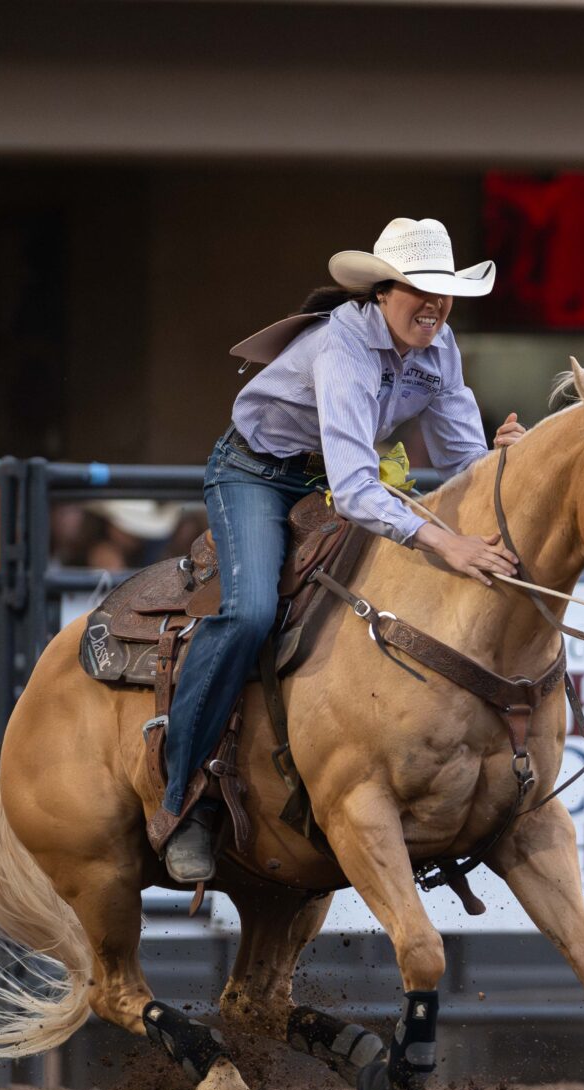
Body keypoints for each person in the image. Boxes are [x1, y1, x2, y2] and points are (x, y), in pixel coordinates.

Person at [150, 217, 526, 882]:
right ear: (383, 291)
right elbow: (357, 488)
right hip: (257, 475)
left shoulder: (439, 348)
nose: (436, 306)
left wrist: (505, 461)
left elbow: (464, 459)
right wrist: (448, 541)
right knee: (250, 613)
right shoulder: (344, 347)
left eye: (444, 294)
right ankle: (182, 798)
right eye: (420, 290)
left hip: (335, 479)